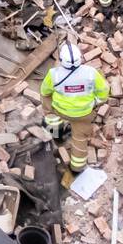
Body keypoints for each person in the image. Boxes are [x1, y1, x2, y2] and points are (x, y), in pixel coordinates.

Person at [40, 40, 109, 173]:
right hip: (84, 115)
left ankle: (57, 133)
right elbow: (104, 91)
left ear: (61, 60)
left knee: (46, 99)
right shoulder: (91, 73)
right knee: (80, 139)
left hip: (61, 111)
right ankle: (77, 167)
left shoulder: (54, 74)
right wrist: (96, 101)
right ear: (80, 58)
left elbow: (44, 91)